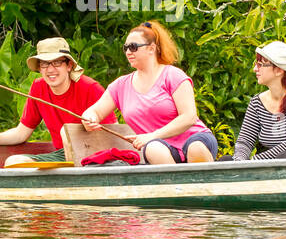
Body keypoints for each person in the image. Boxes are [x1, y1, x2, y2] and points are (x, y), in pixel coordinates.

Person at [81, 20, 218, 164]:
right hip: (161, 147)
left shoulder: (173, 75)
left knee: (195, 148)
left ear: (151, 49)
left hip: (195, 139)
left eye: (133, 47)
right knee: (153, 148)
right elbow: (94, 112)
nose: (128, 52)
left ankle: (204, 185)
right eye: (126, 47)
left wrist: (152, 135)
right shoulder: (120, 86)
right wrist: (90, 118)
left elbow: (189, 117)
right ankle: (175, 186)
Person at [0, 37, 114, 165]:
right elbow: (21, 133)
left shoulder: (90, 87)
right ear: (39, 68)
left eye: (56, 63)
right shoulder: (38, 87)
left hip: (94, 153)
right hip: (62, 155)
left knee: (68, 134)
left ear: (69, 65)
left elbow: (113, 132)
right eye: (44, 64)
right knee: (14, 162)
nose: (50, 69)